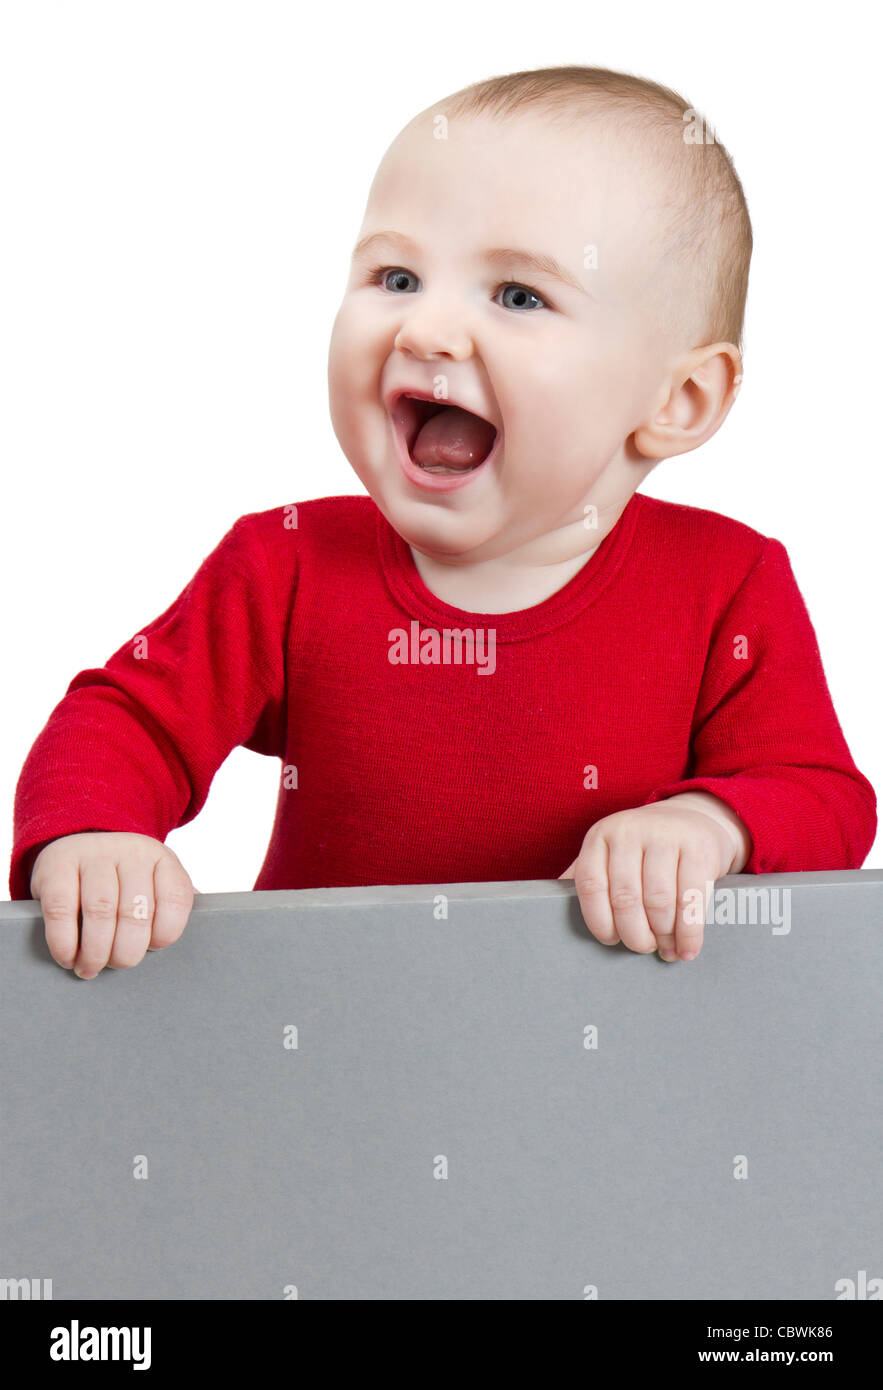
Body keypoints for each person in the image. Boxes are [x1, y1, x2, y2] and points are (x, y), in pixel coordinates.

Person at [9, 65, 876, 978]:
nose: (425, 330)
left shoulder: (725, 584)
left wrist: (708, 826)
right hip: (320, 1037)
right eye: (396, 275)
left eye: (516, 296)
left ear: (679, 398)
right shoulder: (288, 562)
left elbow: (818, 796)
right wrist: (97, 833)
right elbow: (128, 720)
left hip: (612, 1059)